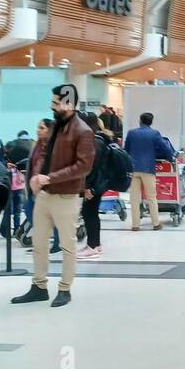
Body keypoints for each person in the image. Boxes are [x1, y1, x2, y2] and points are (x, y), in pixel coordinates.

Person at [12, 85, 94, 308]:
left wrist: (50, 178)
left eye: (56, 102)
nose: (52, 105)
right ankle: (39, 286)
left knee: (68, 245)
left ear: (68, 102)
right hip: (45, 196)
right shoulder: (55, 126)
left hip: (66, 196)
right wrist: (37, 175)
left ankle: (65, 288)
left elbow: (83, 167)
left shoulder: (82, 131)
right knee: (39, 242)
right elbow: (45, 153)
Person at [24, 119, 60, 255]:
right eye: (38, 128)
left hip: (49, 188)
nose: (38, 130)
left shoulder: (56, 147)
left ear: (50, 130)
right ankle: (41, 242)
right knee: (30, 211)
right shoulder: (36, 146)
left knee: (54, 217)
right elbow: (31, 166)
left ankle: (57, 243)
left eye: (42, 128)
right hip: (34, 189)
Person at [124, 112, 165, 232]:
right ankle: (156, 223)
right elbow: (163, 148)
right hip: (148, 169)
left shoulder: (131, 133)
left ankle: (135, 225)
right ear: (151, 122)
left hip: (133, 168)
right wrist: (171, 157)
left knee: (134, 198)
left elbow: (126, 150)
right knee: (151, 197)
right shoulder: (154, 133)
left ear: (140, 120)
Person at [78, 111, 110, 259]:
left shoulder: (94, 141)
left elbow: (92, 166)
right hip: (97, 183)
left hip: (94, 185)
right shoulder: (97, 138)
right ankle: (95, 245)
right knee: (90, 213)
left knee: (89, 213)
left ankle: (92, 246)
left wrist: (88, 187)